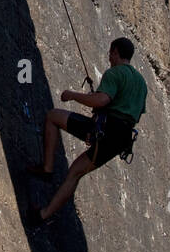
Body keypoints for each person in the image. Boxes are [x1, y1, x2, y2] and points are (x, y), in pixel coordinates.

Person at [25, 37, 146, 228]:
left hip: (105, 130)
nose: (109, 58)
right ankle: (43, 215)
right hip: (120, 139)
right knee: (75, 172)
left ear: (115, 51)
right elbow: (133, 113)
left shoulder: (115, 73)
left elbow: (102, 101)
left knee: (53, 116)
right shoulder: (141, 83)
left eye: (110, 53)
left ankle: (47, 168)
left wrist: (72, 95)